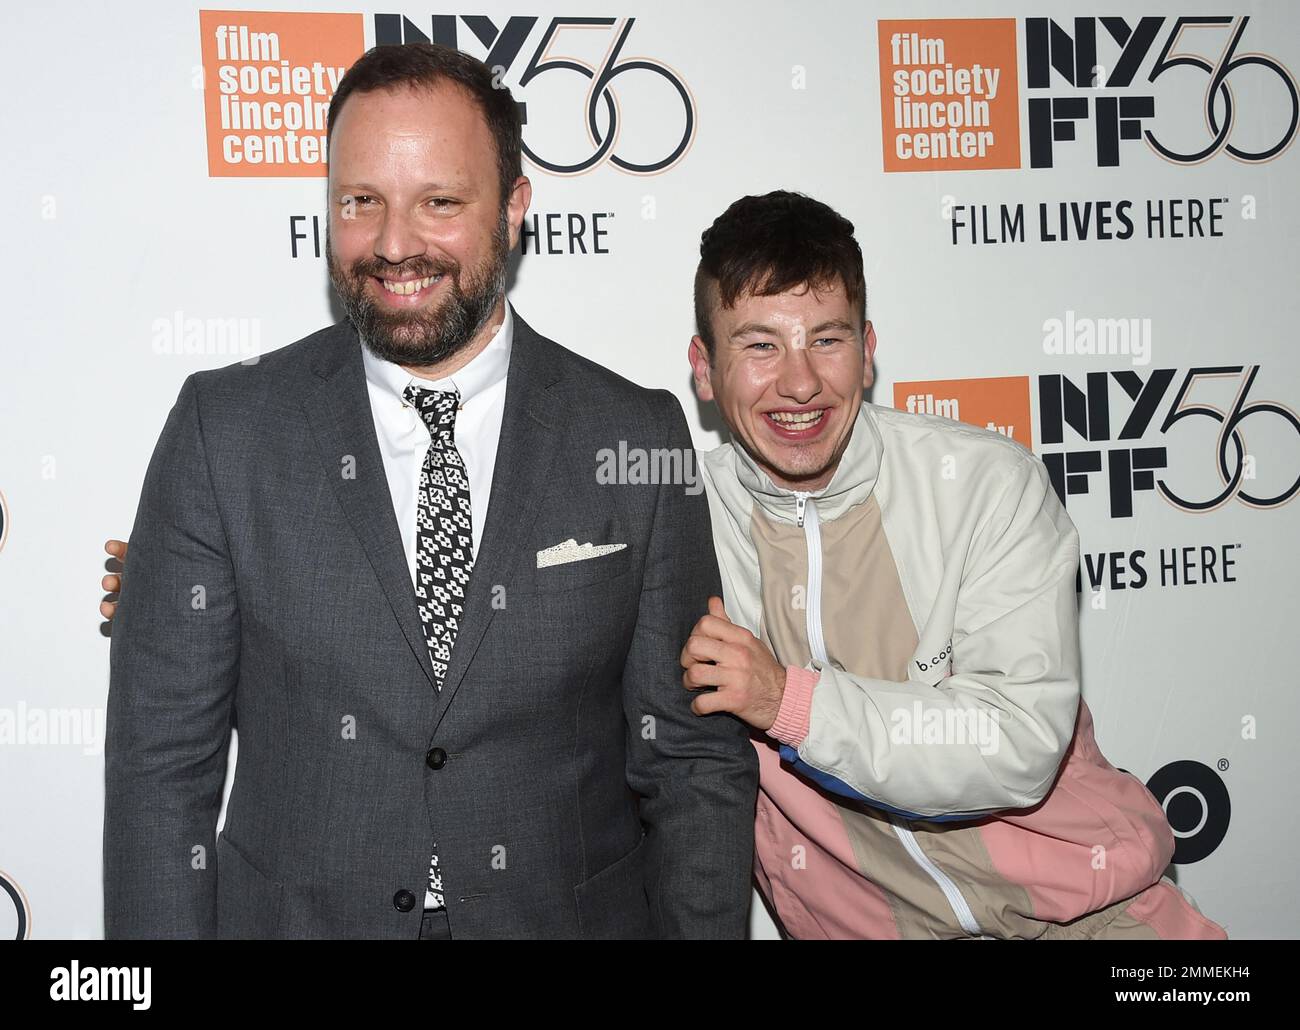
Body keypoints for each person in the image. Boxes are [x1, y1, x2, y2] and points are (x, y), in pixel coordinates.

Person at [100, 42, 757, 940]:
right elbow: (160, 772)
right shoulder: (226, 431)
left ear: (515, 209)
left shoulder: (635, 437)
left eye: (440, 202)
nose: (395, 244)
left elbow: (689, 762)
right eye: (361, 201)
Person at [678, 190, 1228, 939]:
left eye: (827, 341)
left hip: (1097, 917)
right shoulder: (675, 523)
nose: (800, 383)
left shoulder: (984, 484)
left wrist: (788, 704)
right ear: (704, 369)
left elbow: (1017, 744)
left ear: (868, 353)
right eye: (760, 346)